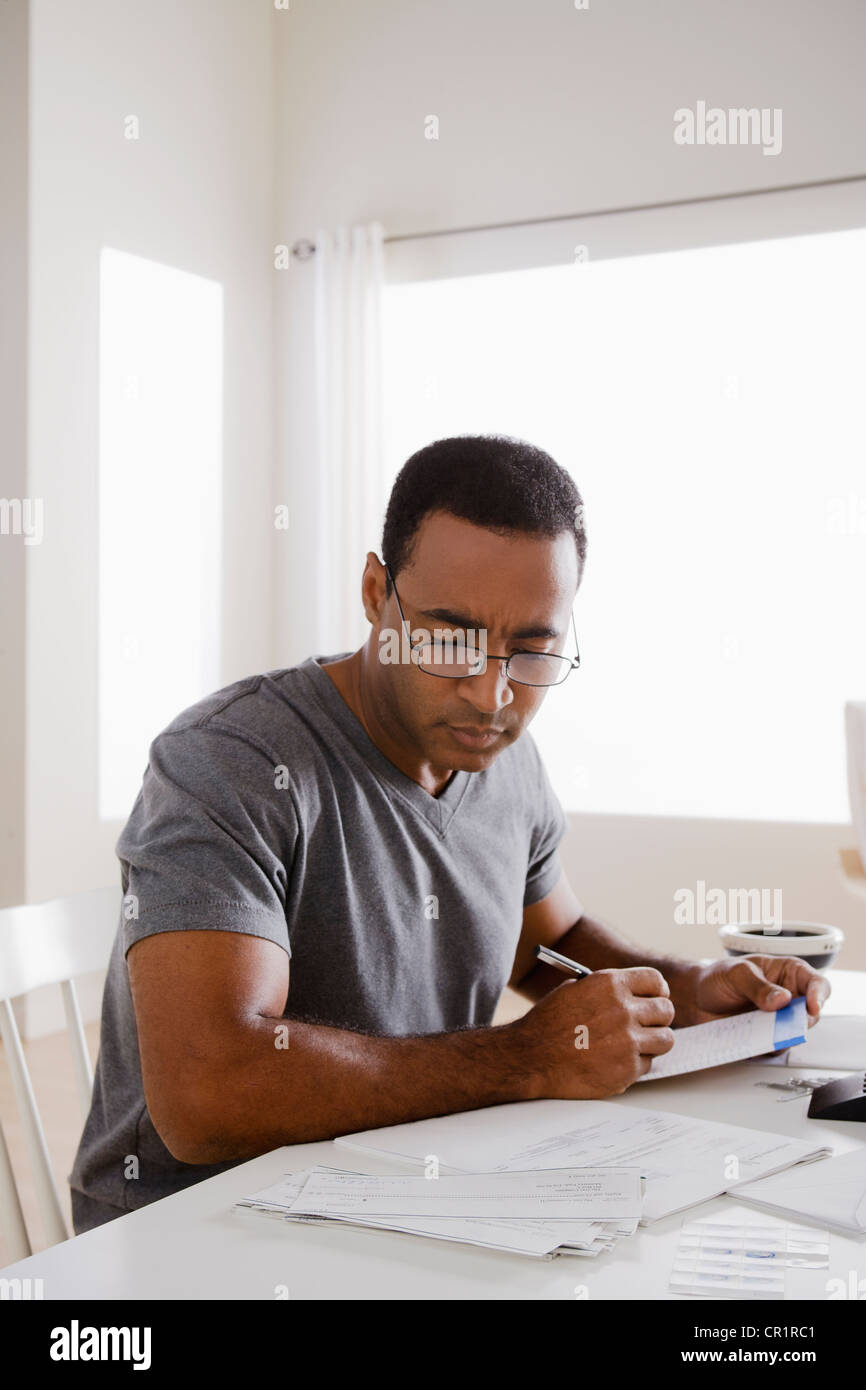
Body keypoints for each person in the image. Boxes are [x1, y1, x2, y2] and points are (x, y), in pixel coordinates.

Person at [69, 434, 829, 1232]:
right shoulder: (231, 761)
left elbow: (550, 940)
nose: (490, 693)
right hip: (198, 1236)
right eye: (448, 638)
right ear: (375, 592)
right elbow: (207, 1095)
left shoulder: (505, 758)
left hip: (412, 1198)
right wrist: (525, 1058)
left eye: (532, 651)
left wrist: (690, 985)